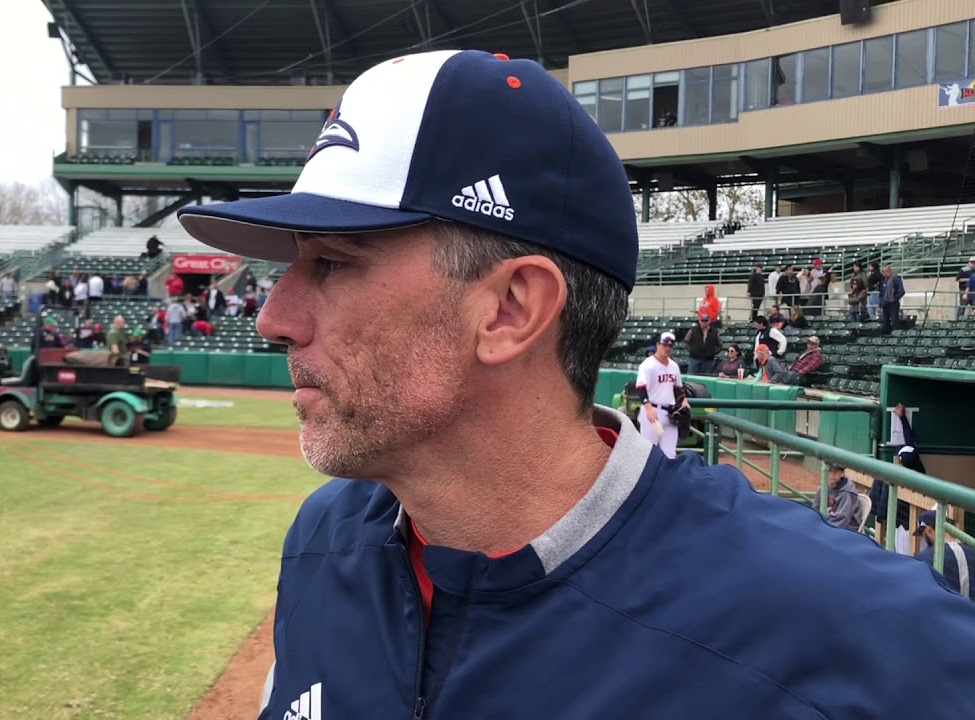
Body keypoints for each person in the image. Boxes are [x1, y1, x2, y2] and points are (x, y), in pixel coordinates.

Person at [175, 49, 975, 719]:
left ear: (512, 309)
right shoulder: (323, 540)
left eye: (332, 263)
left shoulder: (855, 637)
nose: (276, 315)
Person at [636, 331, 689, 459]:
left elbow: (678, 388)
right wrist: (648, 409)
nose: (667, 348)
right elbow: (641, 388)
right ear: (657, 345)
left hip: (670, 414)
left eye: (670, 346)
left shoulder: (674, 366)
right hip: (652, 412)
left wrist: (684, 401)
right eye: (664, 345)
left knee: (670, 455)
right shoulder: (648, 365)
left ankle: (667, 479)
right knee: (648, 454)